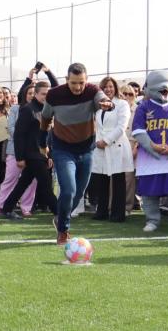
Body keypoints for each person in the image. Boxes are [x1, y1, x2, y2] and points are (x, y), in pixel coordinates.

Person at [40, 63, 112, 245]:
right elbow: (46, 119)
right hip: (62, 150)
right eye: (74, 83)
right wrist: (42, 144)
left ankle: (60, 218)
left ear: (86, 81)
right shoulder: (54, 94)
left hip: (87, 150)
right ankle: (63, 230)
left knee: (78, 194)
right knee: (69, 190)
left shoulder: (92, 91)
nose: (78, 87)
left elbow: (103, 100)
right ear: (67, 80)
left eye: (81, 82)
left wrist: (107, 105)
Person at [132, 70, 168, 234]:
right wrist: (152, 146)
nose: (164, 90)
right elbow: (138, 130)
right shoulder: (143, 107)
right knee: (150, 192)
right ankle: (152, 220)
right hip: (149, 158)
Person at [1, 81, 59, 220]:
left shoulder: (47, 109)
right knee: (45, 184)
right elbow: (19, 134)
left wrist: (48, 154)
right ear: (36, 94)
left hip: (41, 154)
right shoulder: (28, 109)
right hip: (32, 154)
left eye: (48, 94)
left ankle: (7, 208)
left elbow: (47, 135)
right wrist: (20, 157)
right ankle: (59, 212)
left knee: (23, 183)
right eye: (43, 94)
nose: (46, 96)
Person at [0, 83, 38, 217]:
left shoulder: (41, 110)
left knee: (32, 181)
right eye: (29, 93)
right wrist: (26, 138)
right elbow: (11, 128)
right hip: (15, 150)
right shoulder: (15, 109)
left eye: (34, 93)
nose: (32, 96)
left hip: (35, 151)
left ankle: (26, 207)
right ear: (25, 95)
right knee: (9, 180)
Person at [90, 77, 133, 222]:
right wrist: (98, 142)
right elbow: (97, 127)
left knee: (118, 181)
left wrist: (107, 141)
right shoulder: (98, 106)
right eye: (105, 87)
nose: (108, 89)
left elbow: (122, 126)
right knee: (101, 180)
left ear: (115, 87)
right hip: (100, 147)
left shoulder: (122, 104)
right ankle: (101, 212)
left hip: (116, 146)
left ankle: (117, 214)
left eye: (110, 86)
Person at [120, 84, 139, 213]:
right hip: (116, 144)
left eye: (130, 94)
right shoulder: (116, 108)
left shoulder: (138, 110)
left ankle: (127, 206)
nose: (127, 96)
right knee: (114, 178)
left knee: (129, 178)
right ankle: (113, 205)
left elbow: (142, 130)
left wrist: (136, 147)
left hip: (132, 144)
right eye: (124, 94)